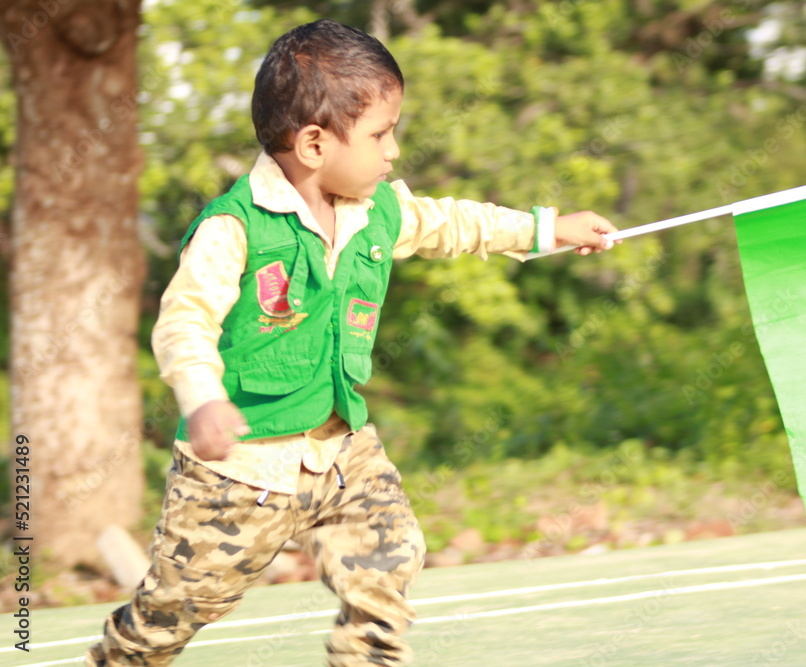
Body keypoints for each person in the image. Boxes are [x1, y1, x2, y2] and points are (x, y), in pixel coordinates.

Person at [85, 18, 618, 667]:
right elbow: (184, 321)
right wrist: (201, 399)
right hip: (241, 469)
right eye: (380, 134)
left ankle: (366, 660)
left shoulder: (377, 212)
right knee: (174, 610)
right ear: (313, 142)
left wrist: (547, 228)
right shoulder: (234, 228)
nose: (392, 151)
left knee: (391, 551)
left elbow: (454, 222)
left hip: (342, 449)